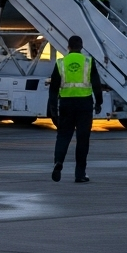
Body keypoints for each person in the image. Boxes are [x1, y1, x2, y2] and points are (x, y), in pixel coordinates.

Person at [47, 35, 103, 182]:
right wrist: (99, 102)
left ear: (68, 47)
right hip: (84, 104)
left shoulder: (61, 63)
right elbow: (96, 84)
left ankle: (58, 161)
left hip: (66, 104)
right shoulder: (88, 62)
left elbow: (53, 89)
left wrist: (52, 108)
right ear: (81, 47)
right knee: (83, 140)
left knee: (63, 136)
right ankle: (80, 174)